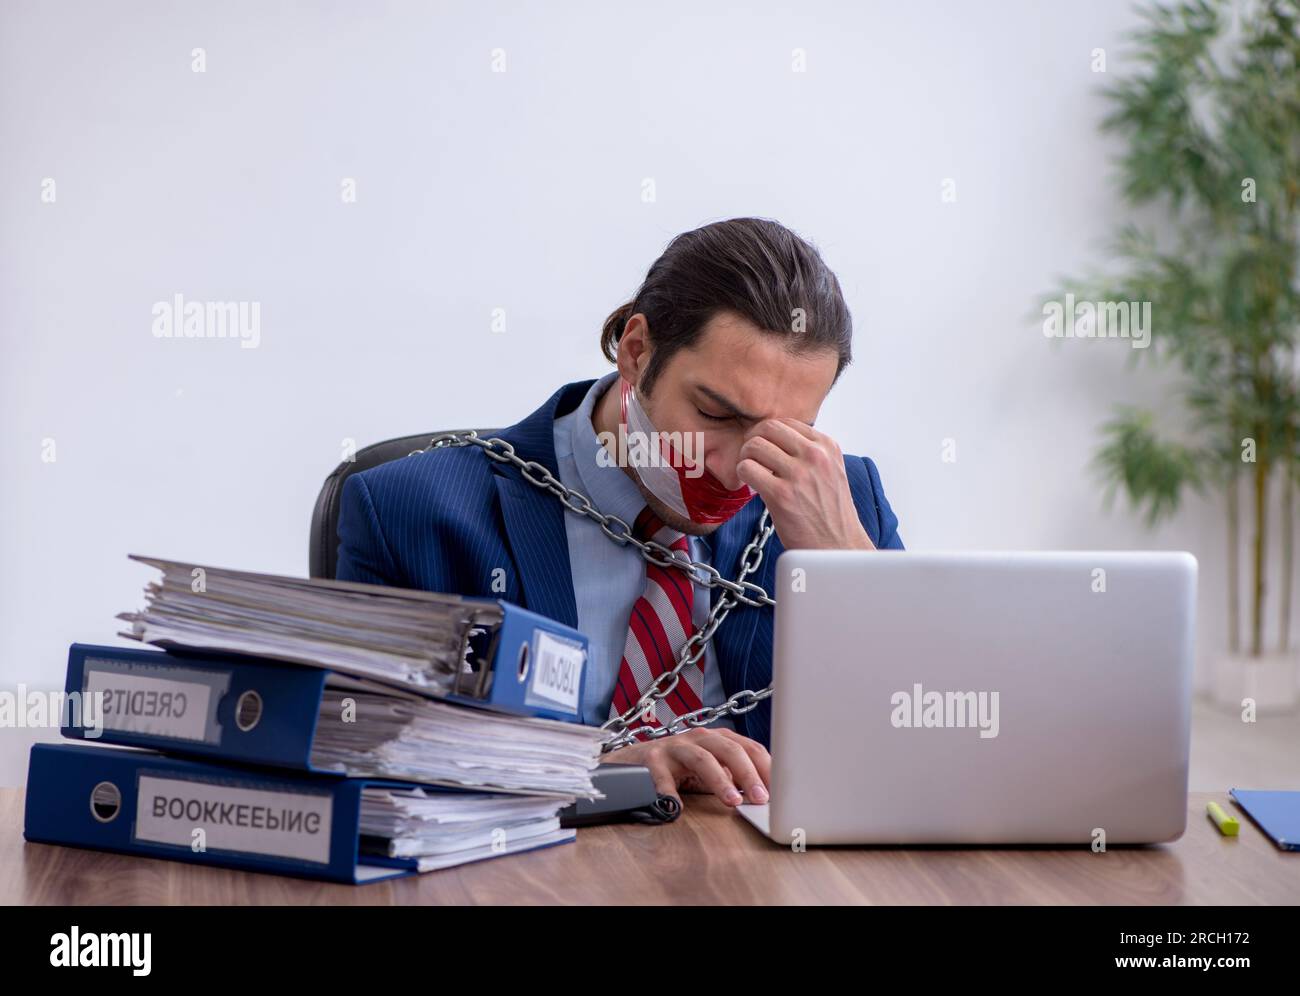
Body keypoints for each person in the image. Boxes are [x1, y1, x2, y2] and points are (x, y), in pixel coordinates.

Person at [337, 217, 903, 809]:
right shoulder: (414, 513)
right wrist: (594, 772)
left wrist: (849, 574)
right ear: (637, 352)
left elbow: (929, 744)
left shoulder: (846, 502)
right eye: (715, 413)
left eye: (787, 430)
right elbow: (358, 759)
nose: (738, 468)